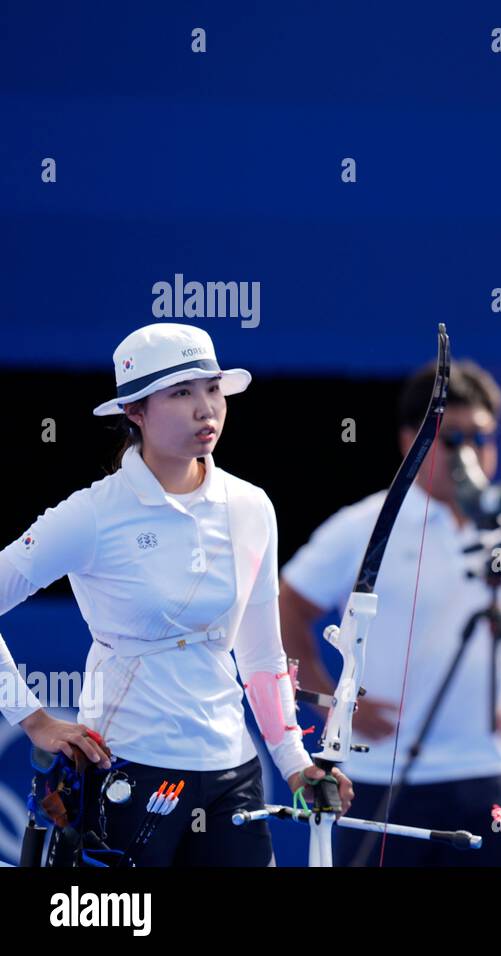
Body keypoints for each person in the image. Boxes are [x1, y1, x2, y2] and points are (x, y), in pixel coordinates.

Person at [0, 323, 343, 866]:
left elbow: (260, 654)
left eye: (212, 388)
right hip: (128, 770)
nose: (206, 408)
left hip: (234, 773)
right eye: (181, 393)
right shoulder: (92, 513)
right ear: (134, 411)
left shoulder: (252, 505)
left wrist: (295, 763)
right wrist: (33, 719)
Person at [279, 359, 501, 866]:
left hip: (490, 772)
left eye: (480, 438)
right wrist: (330, 703)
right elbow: (285, 606)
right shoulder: (364, 526)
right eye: (450, 438)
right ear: (410, 441)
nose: (469, 454)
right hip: (378, 777)